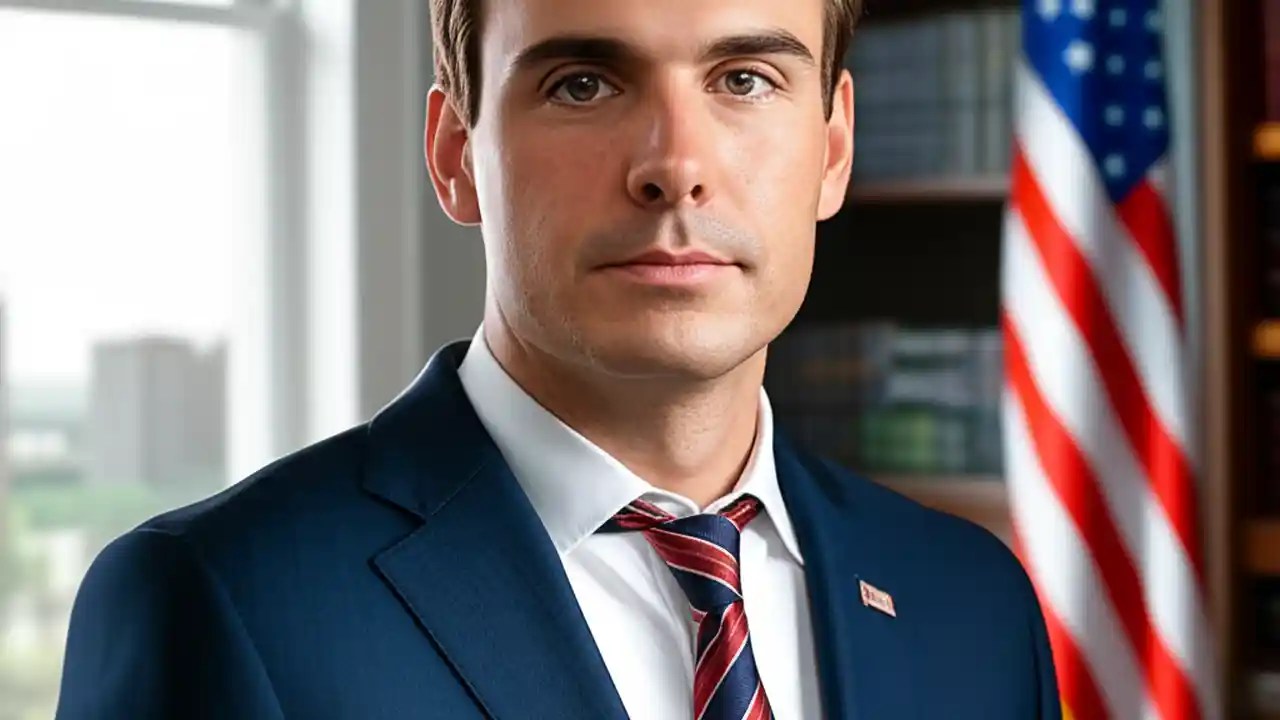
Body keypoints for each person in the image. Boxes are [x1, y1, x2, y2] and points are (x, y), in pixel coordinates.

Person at [56, 0, 1061, 717]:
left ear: (832, 147)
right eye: (582, 82)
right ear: (456, 153)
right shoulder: (224, 599)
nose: (675, 165)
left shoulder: (969, 602)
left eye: (744, 79)